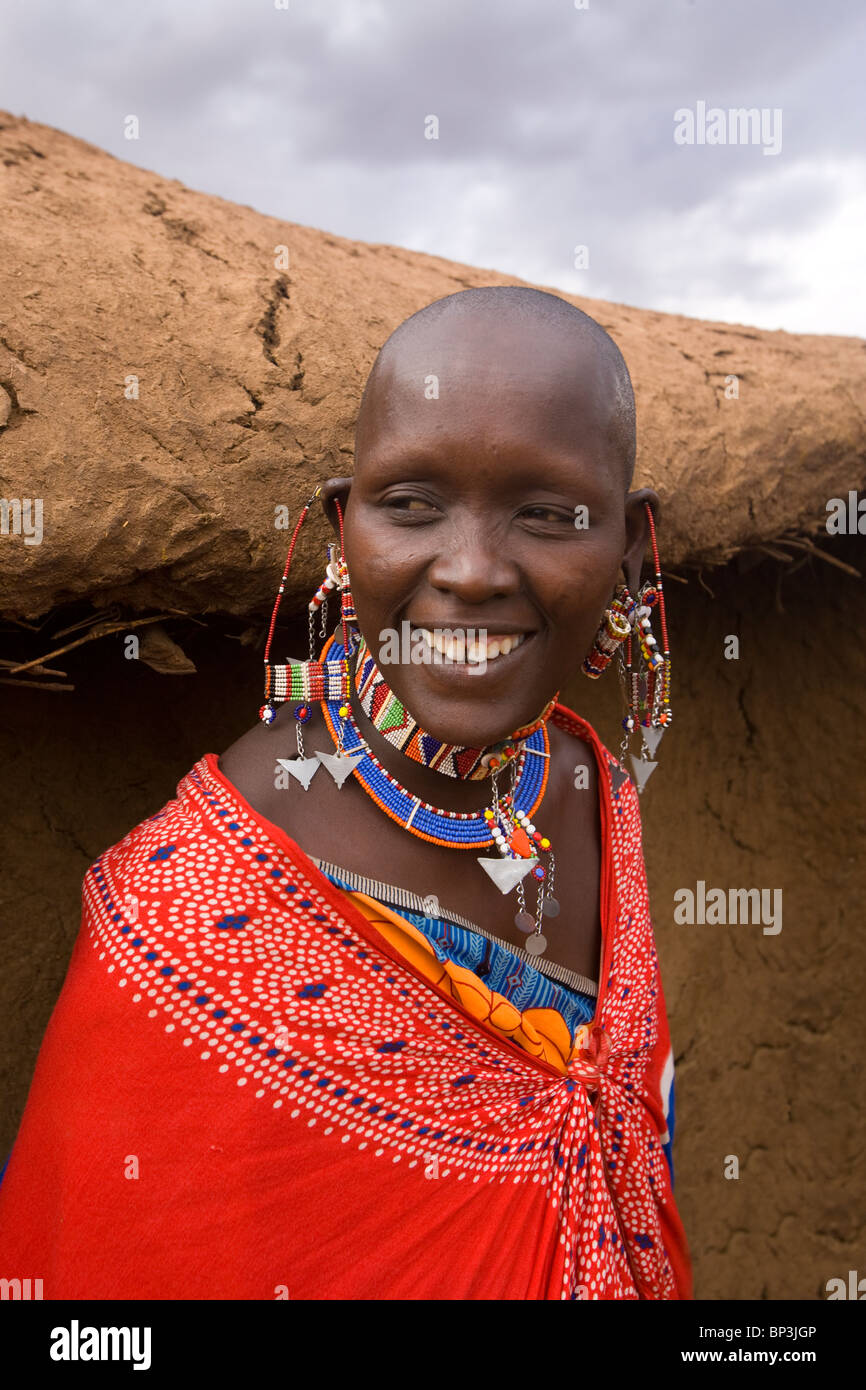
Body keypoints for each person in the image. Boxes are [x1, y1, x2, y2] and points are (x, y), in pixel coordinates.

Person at [0, 286, 692, 1300]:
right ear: (341, 529)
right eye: (409, 505)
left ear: (629, 551)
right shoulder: (188, 918)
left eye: (545, 514)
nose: (468, 570)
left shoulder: (592, 789)